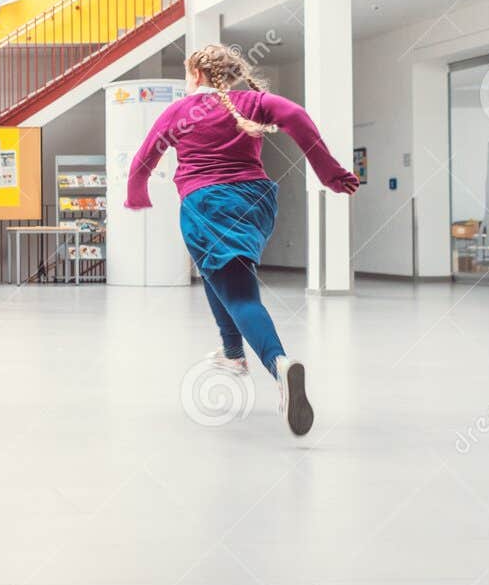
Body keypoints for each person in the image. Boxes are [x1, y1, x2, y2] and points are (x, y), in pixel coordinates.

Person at [125, 44, 359, 437]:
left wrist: (136, 193)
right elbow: (297, 117)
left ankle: (278, 365)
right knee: (223, 274)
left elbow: (145, 156)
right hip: (256, 199)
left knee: (239, 294)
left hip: (207, 202)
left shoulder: (180, 111)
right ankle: (234, 354)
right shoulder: (253, 101)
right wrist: (329, 173)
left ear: (196, 75)